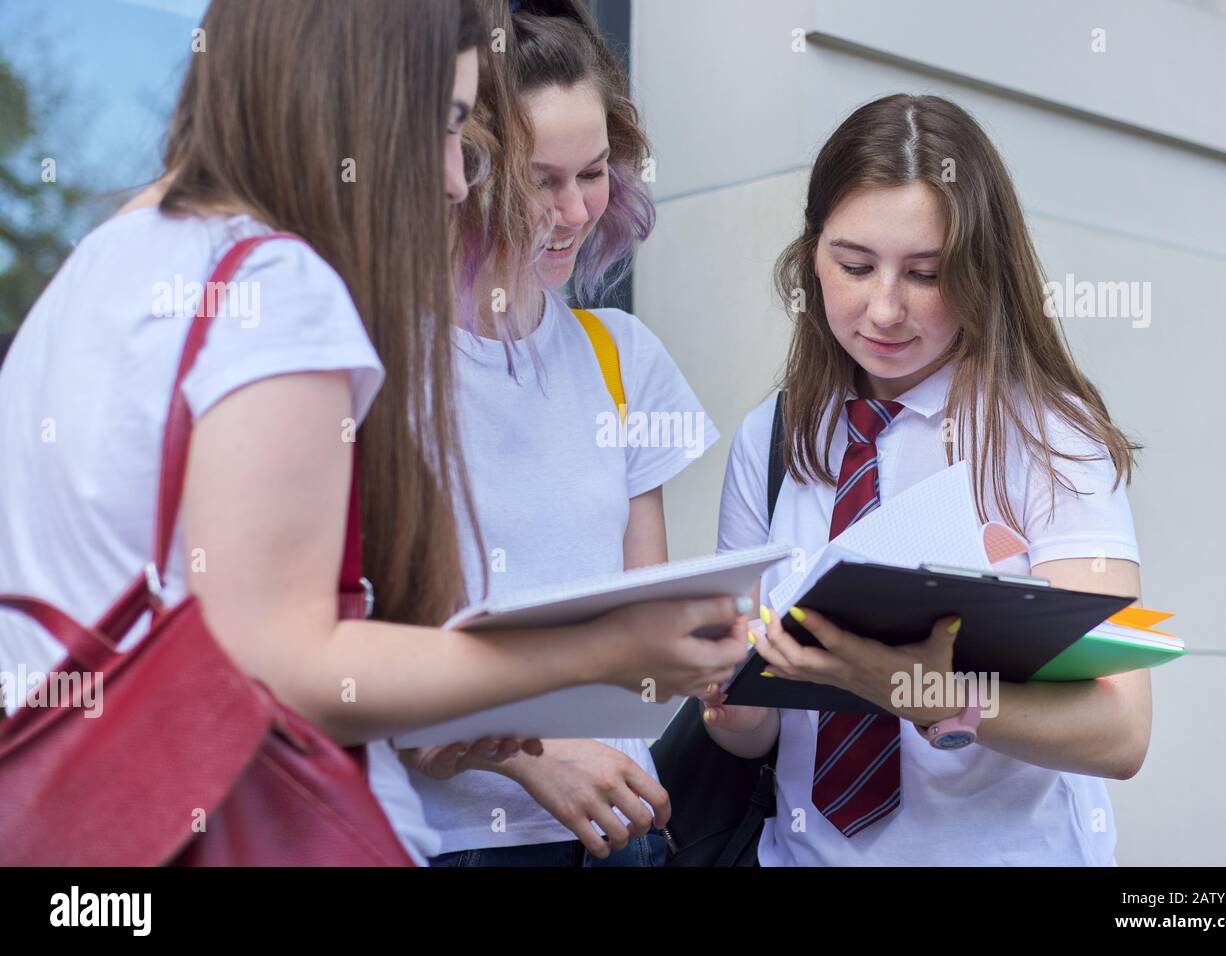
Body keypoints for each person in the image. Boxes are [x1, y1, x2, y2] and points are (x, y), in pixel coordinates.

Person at [0, 0, 748, 865]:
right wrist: (605, 648)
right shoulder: (278, 283)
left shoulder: (100, 264)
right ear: (349, 97)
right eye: (442, 124)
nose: (457, 180)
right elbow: (289, 663)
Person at [703, 94, 1150, 866]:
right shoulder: (772, 441)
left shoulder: (1047, 436)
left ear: (981, 271)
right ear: (812, 255)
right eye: (853, 265)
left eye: (925, 274)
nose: (883, 309)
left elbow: (1121, 730)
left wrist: (933, 695)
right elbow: (758, 732)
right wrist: (726, 701)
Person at [400, 0, 712, 868]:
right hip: (455, 842)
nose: (575, 212)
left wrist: (713, 653)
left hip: (624, 831)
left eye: (596, 172)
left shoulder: (622, 356)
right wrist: (534, 752)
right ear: (467, 166)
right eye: (542, 180)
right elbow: (354, 651)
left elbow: (642, 640)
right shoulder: (382, 364)